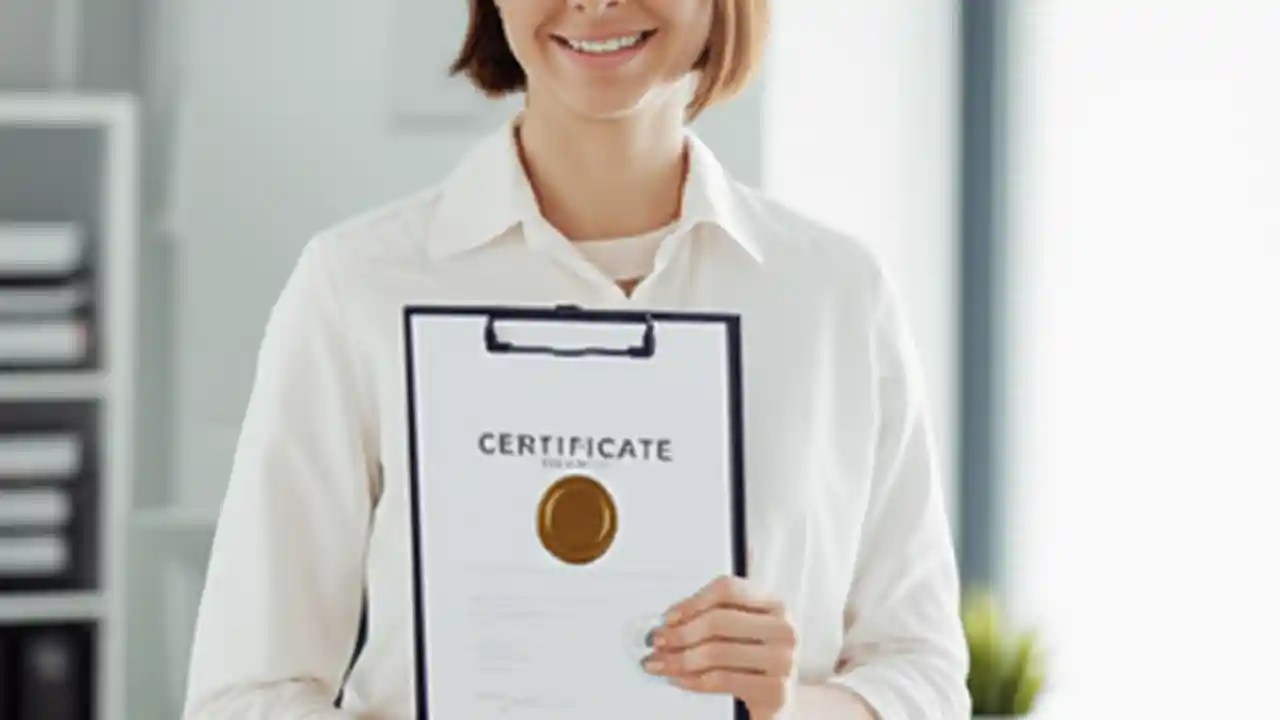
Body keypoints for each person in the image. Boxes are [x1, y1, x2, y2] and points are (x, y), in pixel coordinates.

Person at [182, 0, 969, 718]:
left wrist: (784, 707)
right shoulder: (356, 287)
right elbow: (244, 695)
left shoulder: (834, 296)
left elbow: (924, 678)